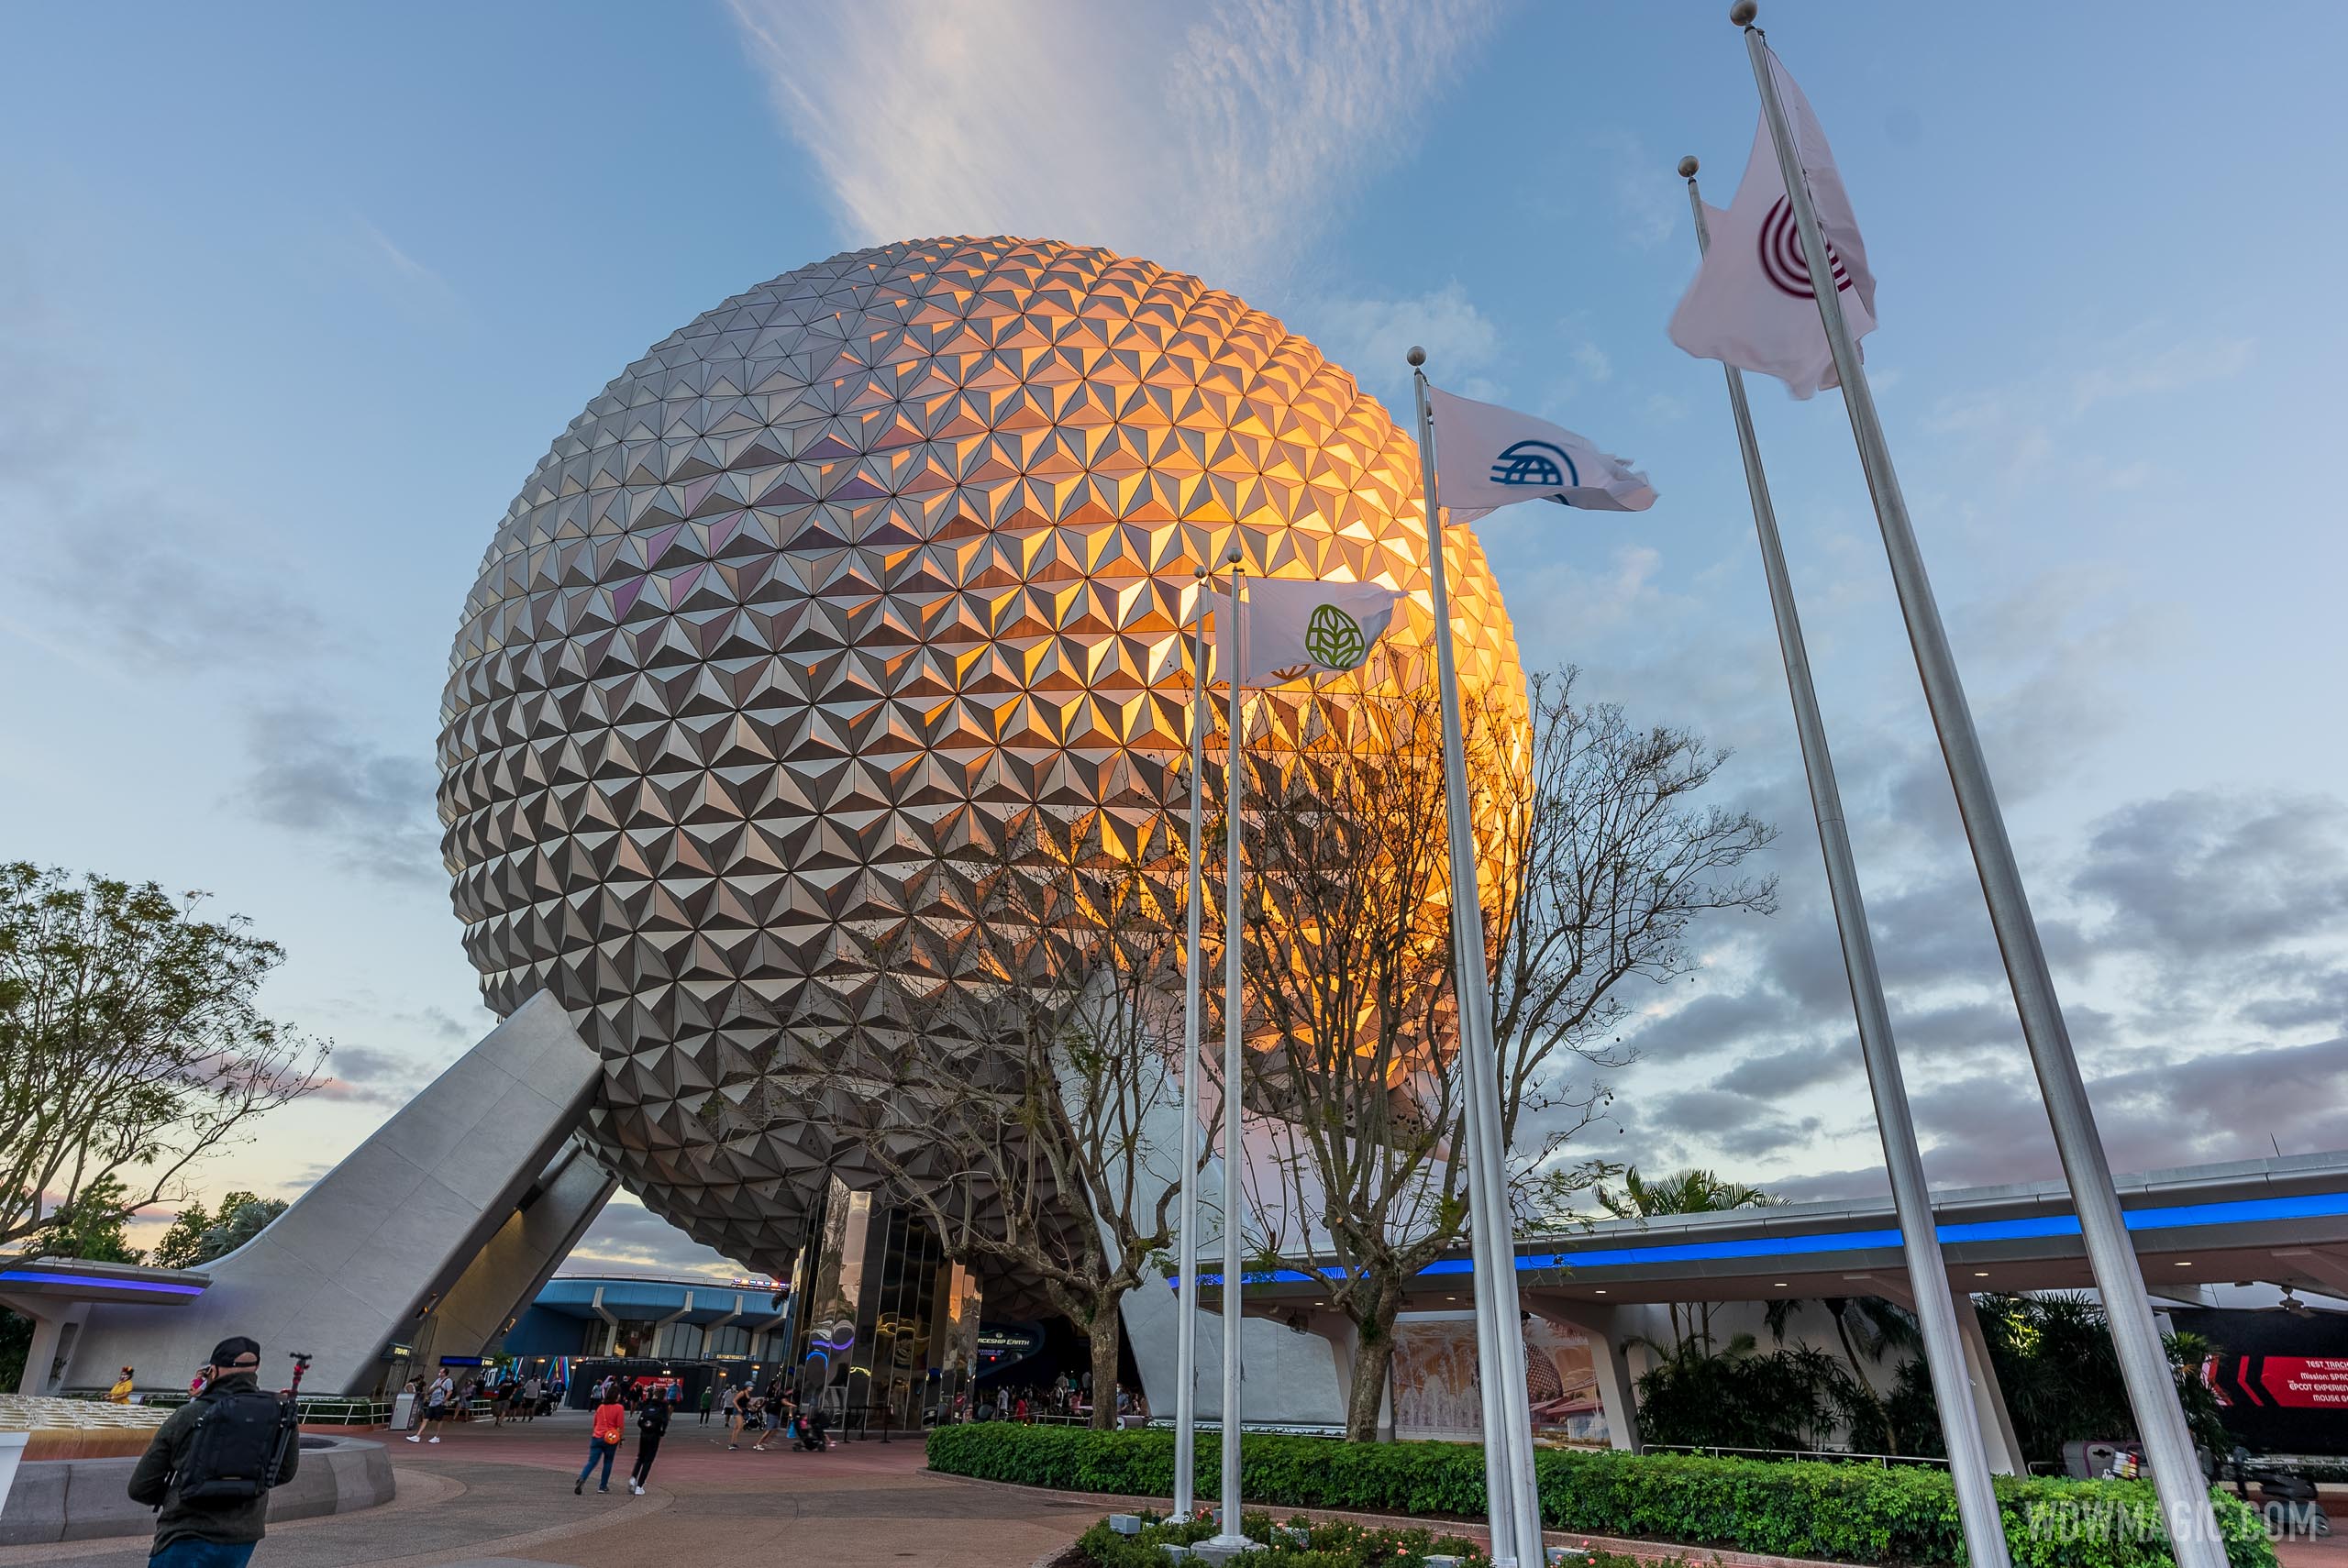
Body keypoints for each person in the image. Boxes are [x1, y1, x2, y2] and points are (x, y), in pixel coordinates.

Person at [127, 1336, 299, 1567]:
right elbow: (285, 1472)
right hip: (242, 1538)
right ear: (255, 1368)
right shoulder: (276, 1413)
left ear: (214, 1370)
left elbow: (140, 1487)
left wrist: (175, 1497)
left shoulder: (189, 1415)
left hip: (186, 1533)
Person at [576, 1391, 626, 1495]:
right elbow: (620, 1425)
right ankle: (602, 1486)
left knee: (592, 1461)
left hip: (597, 1437)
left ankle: (583, 1477)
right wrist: (620, 1439)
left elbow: (595, 1423)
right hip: (610, 1438)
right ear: (616, 1396)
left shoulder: (601, 1407)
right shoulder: (619, 1408)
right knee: (608, 1462)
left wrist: (597, 1432)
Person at [628, 1386, 670, 1495]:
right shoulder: (663, 1405)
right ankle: (640, 1486)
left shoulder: (649, 1403)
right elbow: (665, 1421)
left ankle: (633, 1477)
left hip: (644, 1433)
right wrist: (662, 1433)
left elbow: (640, 1420)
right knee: (648, 1460)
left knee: (640, 1457)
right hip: (654, 1435)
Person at [407, 1369, 456, 1444]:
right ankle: (418, 1436)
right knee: (426, 1418)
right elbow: (430, 1390)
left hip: (440, 1402)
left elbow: (450, 1391)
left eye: (441, 1372)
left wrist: (444, 1400)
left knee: (439, 1420)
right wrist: (436, 1387)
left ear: (445, 1373)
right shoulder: (437, 1380)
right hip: (433, 1402)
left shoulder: (448, 1381)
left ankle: (437, 1436)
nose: (439, 1373)